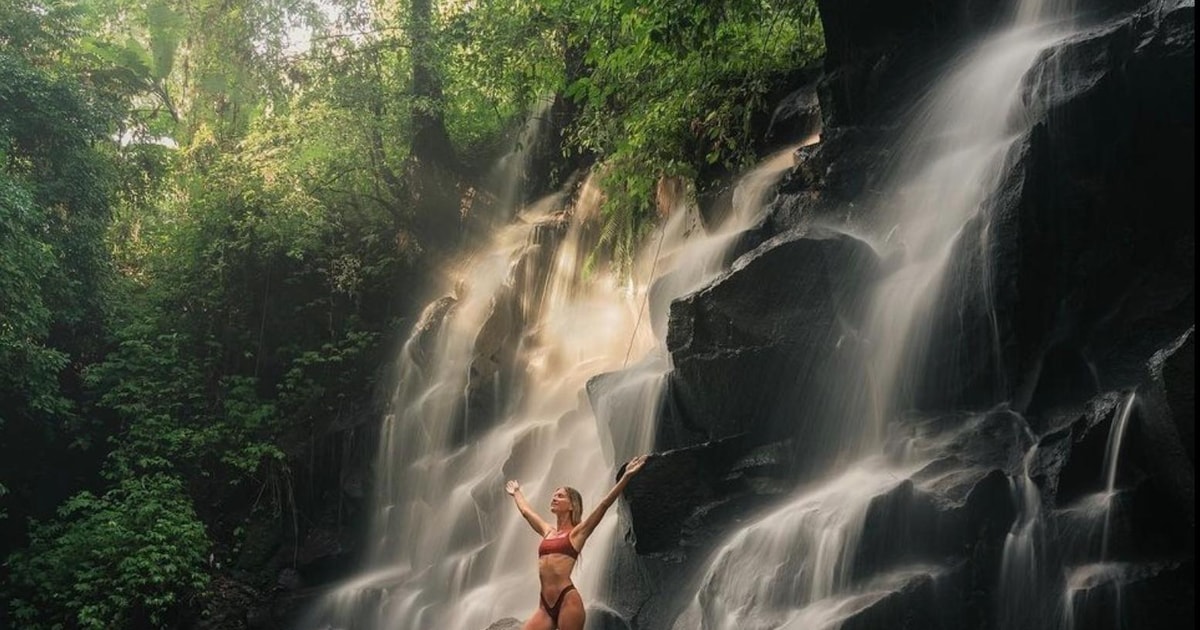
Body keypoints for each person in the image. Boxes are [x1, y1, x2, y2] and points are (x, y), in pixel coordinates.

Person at [504, 455, 648, 630]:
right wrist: (517, 492)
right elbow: (527, 512)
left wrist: (626, 477)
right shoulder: (547, 531)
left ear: (572, 505)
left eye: (560, 496)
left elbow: (603, 505)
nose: (554, 498)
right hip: (544, 606)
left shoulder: (577, 534)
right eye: (554, 496)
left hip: (567, 601)